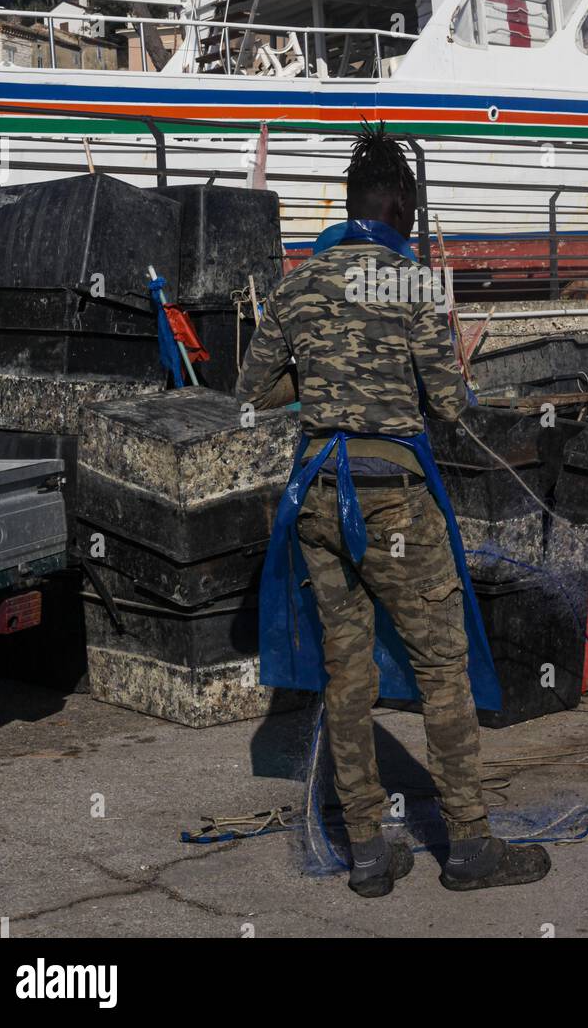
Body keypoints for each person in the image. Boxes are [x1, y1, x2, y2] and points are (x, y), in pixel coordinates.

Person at [236, 122, 551, 897]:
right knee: (443, 668)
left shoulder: (296, 285)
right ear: (402, 209)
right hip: (393, 506)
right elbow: (446, 404)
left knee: (346, 677)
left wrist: (323, 386)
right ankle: (471, 847)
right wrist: (439, 382)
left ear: (349, 206)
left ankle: (370, 854)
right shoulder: (410, 284)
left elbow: (247, 395)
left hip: (318, 499)